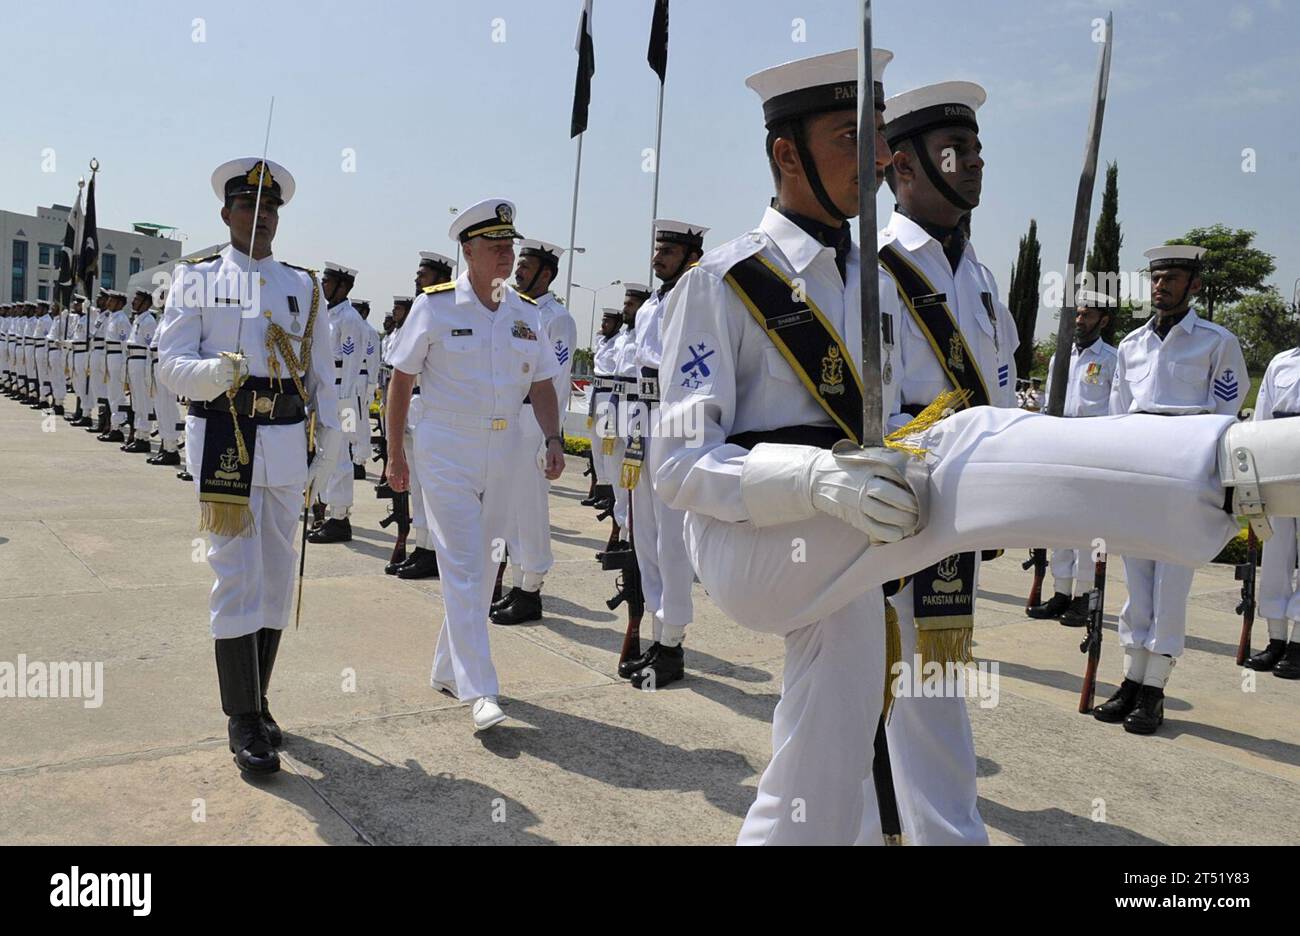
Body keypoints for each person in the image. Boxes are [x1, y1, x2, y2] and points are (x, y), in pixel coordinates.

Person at [157, 156, 342, 775]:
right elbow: (168, 363)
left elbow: (320, 378)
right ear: (226, 213)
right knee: (235, 576)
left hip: (288, 442)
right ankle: (241, 718)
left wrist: (329, 445)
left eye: (270, 209)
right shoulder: (197, 279)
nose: (259, 217)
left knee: (275, 576)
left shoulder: (302, 284)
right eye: (248, 206)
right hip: (226, 441)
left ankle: (259, 701)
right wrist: (213, 373)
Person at [384, 198, 565, 732]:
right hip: (446, 447)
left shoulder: (526, 314)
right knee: (463, 563)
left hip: (506, 448)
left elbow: (543, 383)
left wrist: (554, 438)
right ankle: (481, 688)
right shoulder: (435, 307)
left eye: (510, 246)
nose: (507, 256)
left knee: (485, 565)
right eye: (495, 247)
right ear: (467, 250)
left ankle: (447, 668)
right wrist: (396, 453)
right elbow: (401, 381)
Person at [1097, 244, 1249, 734]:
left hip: (1184, 476)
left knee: (1171, 585)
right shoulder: (1130, 345)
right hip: (1138, 473)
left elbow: (1223, 415)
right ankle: (1130, 679)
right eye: (1156, 277)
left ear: (1195, 286)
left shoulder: (1217, 342)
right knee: (1136, 583)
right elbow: (1117, 415)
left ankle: (1155, 689)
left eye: (1172, 278)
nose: (1160, 286)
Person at [618, 220, 708, 689]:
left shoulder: (695, 293)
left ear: (691, 254)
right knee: (644, 531)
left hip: (673, 418)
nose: (658, 259)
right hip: (641, 413)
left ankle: (672, 639)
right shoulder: (656, 299)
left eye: (668, 251)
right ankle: (656, 631)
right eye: (657, 251)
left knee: (672, 537)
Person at [492, 239, 578, 625]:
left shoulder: (557, 318)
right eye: (519, 265)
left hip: (534, 422)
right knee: (509, 507)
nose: (518, 271)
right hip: (508, 418)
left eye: (526, 266)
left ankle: (532, 588)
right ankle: (517, 582)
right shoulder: (515, 310)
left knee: (531, 508)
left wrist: (551, 434)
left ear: (546, 273)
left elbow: (555, 380)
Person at [1028, 289, 1118, 624]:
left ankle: (1085, 597)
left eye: (1088, 315)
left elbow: (1116, 405)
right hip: (1061, 442)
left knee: (1090, 528)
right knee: (1060, 525)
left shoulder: (1112, 358)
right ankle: (1061, 592)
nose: (1080, 321)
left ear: (1103, 320)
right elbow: (1051, 399)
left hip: (1095, 445)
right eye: (1077, 315)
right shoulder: (1059, 357)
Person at [1248, 344, 1300, 678]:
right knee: (1276, 554)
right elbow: (1261, 420)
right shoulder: (1282, 362)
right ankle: (1276, 637)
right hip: (1279, 465)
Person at [308, 262, 367, 544]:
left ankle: (340, 517)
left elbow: (353, 364)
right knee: (326, 454)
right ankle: (328, 510)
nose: (323, 286)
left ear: (343, 287)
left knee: (341, 456)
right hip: (327, 394)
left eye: (328, 282)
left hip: (342, 397)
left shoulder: (350, 320)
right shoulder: (327, 315)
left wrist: (343, 402)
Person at [121, 288, 159, 453]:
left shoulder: (149, 321)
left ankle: (143, 436)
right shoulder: (138, 320)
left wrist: (147, 372)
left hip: (142, 362)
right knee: (136, 401)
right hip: (133, 361)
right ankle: (138, 435)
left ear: (147, 303)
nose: (133, 302)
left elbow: (150, 348)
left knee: (143, 402)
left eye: (137, 300)